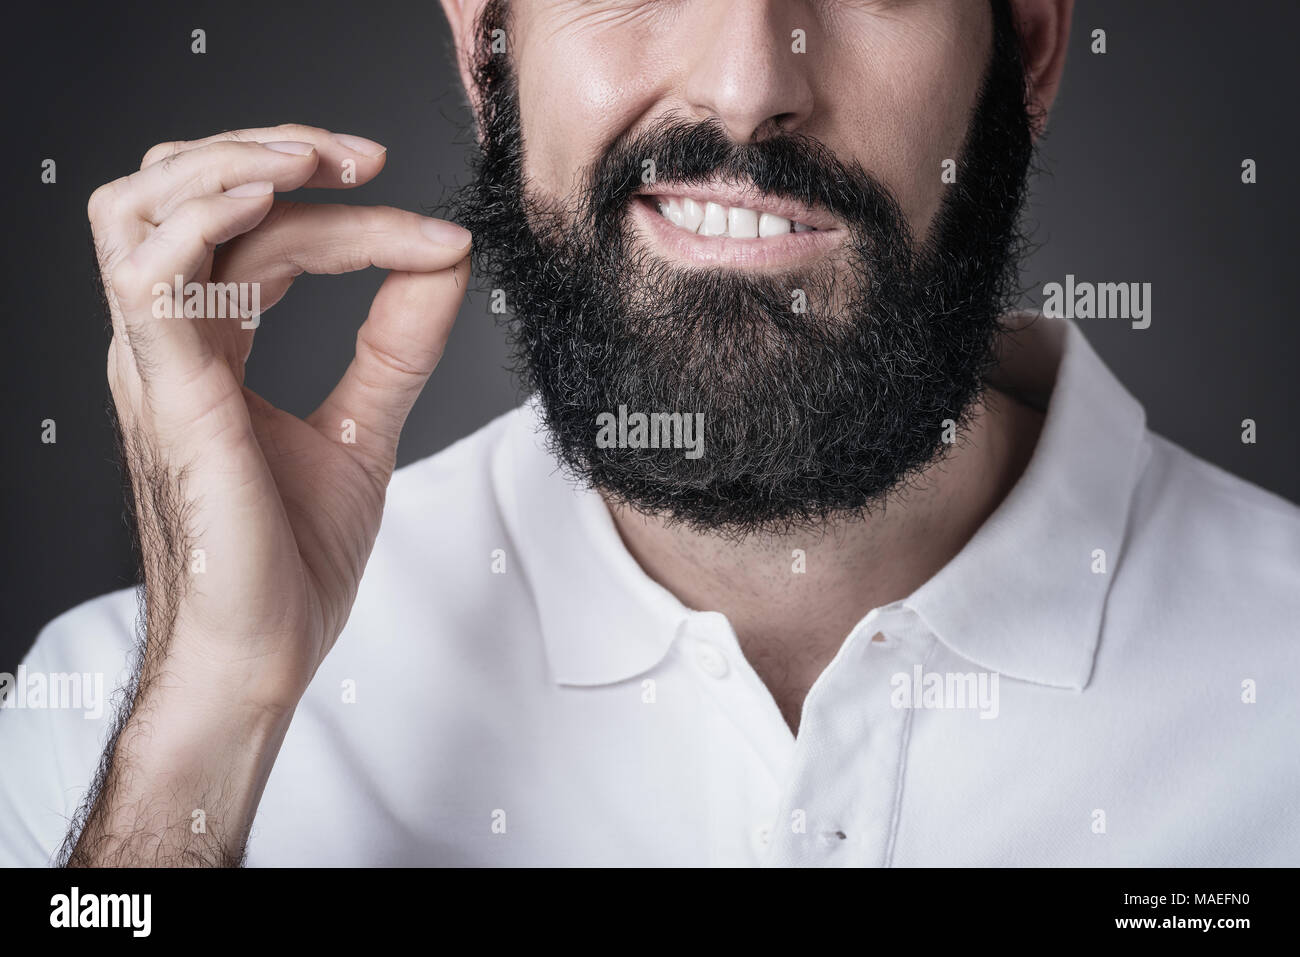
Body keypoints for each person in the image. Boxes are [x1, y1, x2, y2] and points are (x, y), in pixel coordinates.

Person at [2, 0, 1296, 867]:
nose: (745, 93)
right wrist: (208, 736)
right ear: (484, 39)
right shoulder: (117, 729)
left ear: (1026, 51)